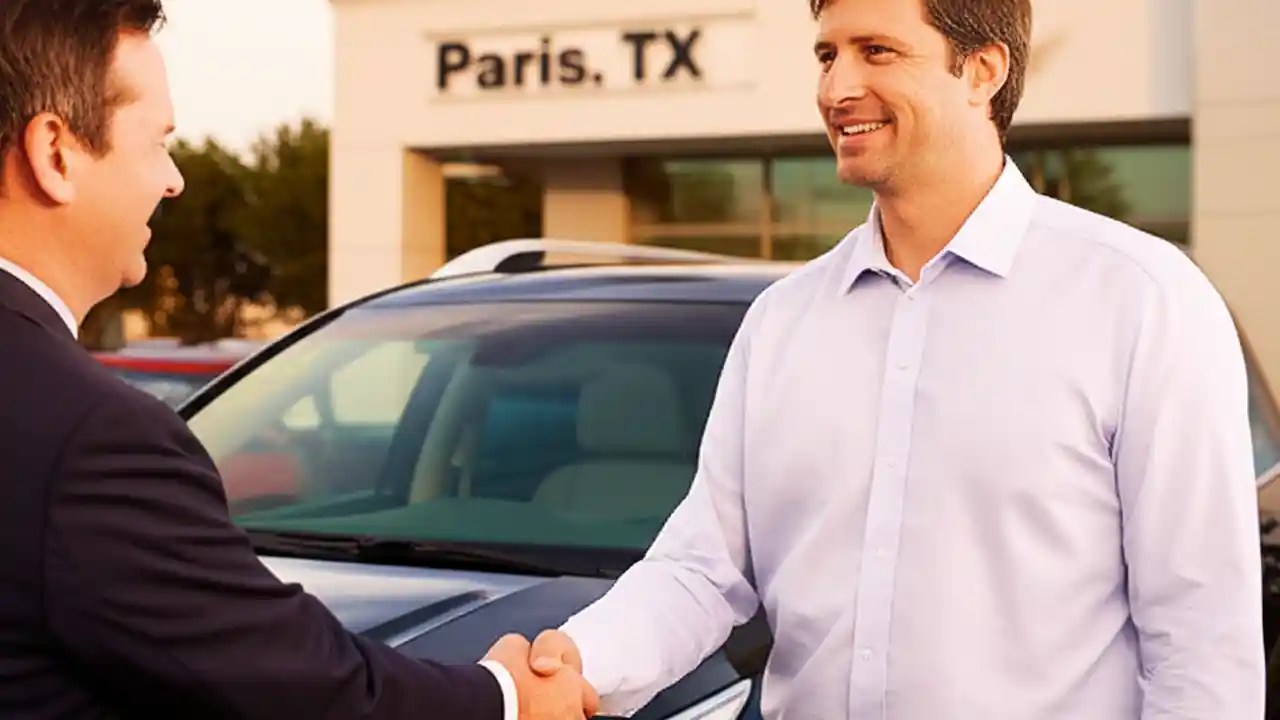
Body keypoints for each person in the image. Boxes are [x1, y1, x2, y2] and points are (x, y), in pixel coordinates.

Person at [521, 0, 1266, 717]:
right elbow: (703, 571)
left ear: (983, 70)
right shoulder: (784, 322)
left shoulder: (1140, 299)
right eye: (826, 54)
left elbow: (1200, 639)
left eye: (876, 51)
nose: (837, 88)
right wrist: (576, 661)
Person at [0, 2, 596, 718]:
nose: (174, 180)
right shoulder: (88, 438)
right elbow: (296, 690)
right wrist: (507, 698)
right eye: (158, 142)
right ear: (55, 153)